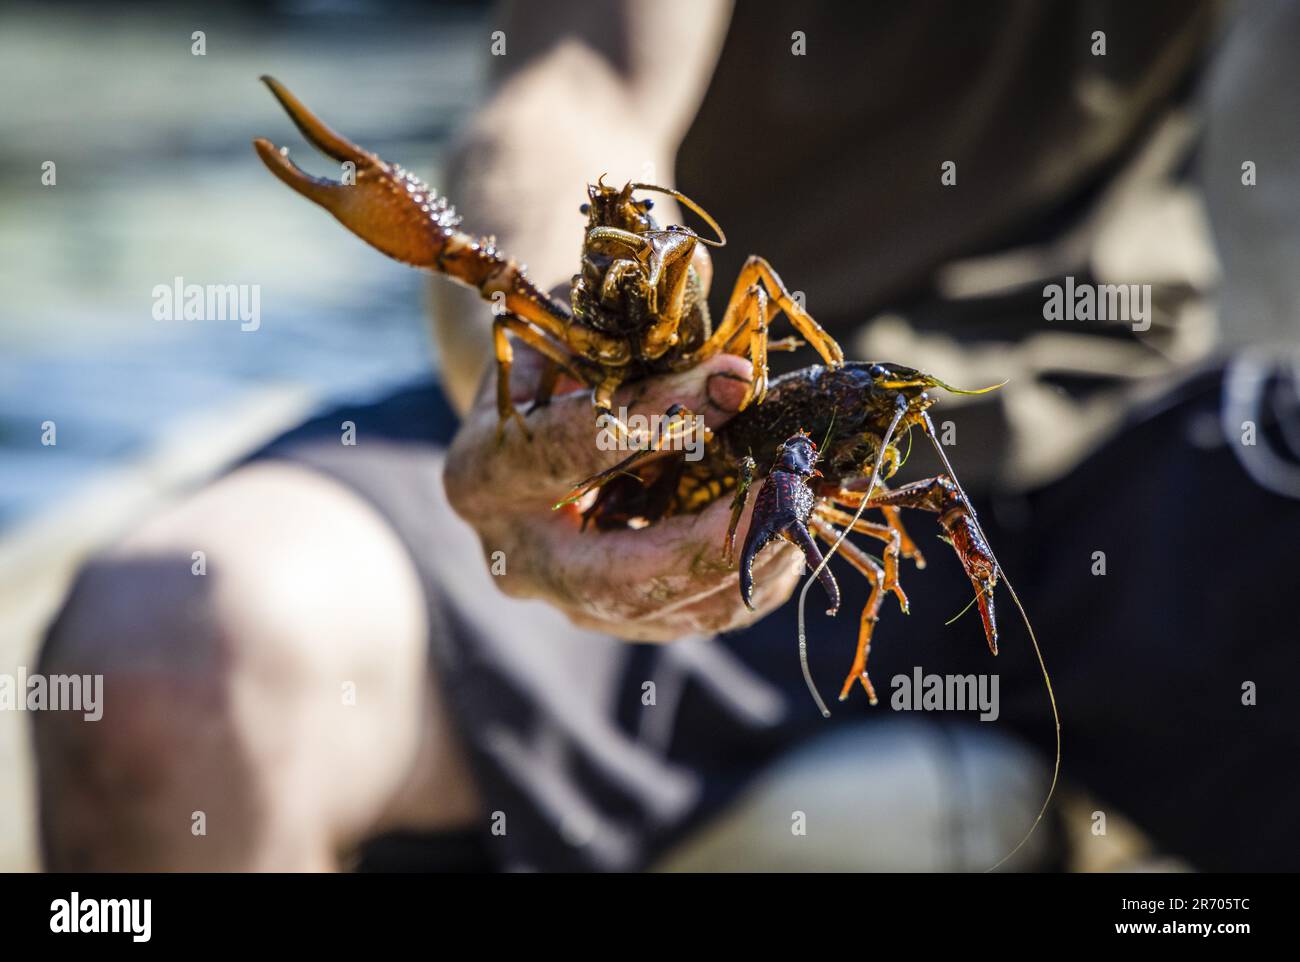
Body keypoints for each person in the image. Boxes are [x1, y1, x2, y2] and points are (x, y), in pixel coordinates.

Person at [35, 0, 1300, 871]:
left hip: (1120, 440)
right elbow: (578, 81)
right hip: (683, 453)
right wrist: (521, 373)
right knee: (160, 662)